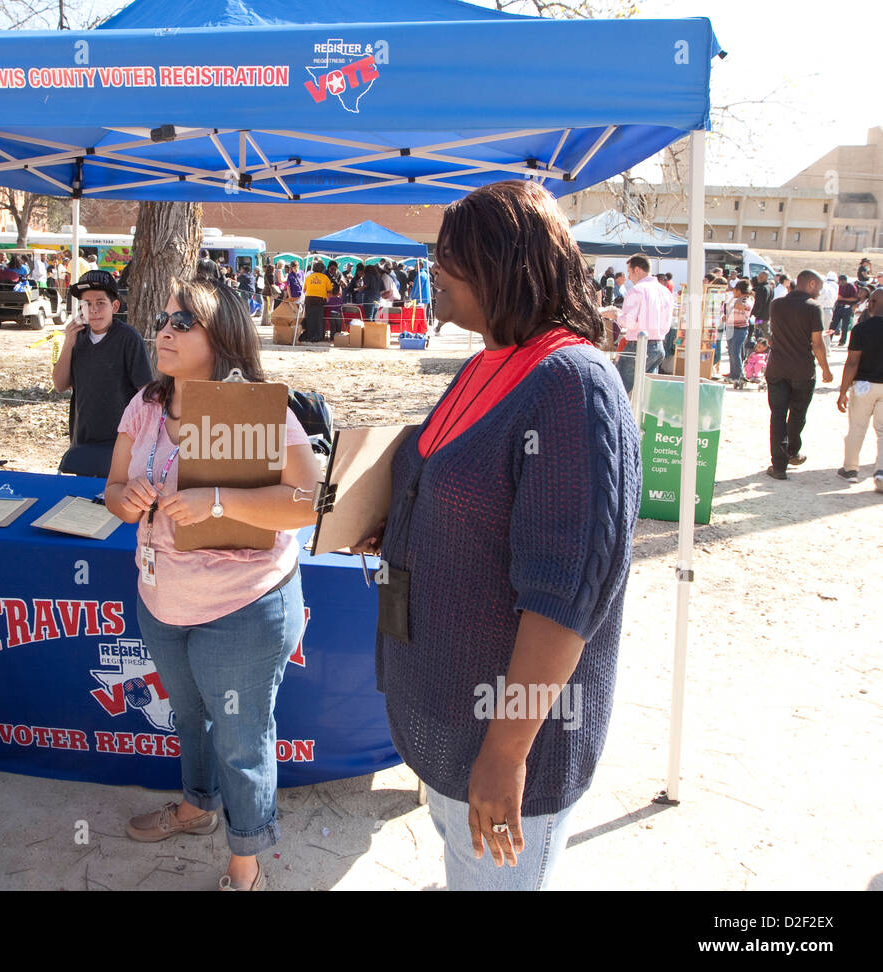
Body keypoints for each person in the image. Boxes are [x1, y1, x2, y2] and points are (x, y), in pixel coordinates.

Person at [372, 180, 638, 891]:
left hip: (508, 738)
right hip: (454, 710)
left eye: (451, 258)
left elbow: (565, 592)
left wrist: (507, 751)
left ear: (505, 263)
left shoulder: (571, 385)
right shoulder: (487, 363)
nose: (433, 271)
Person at [104, 276, 320, 891]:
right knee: (189, 718)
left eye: (182, 324)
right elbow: (113, 490)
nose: (163, 332)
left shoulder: (254, 409)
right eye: (163, 320)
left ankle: (245, 865)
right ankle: (197, 808)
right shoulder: (145, 405)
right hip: (162, 598)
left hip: (244, 606)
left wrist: (218, 501)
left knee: (241, 736)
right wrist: (129, 501)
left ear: (221, 337)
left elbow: (306, 502)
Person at [52, 269, 152, 478]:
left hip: (121, 439)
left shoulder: (128, 338)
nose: (94, 309)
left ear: (114, 306)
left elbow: (145, 391)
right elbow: (60, 384)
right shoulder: (77, 338)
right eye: (87, 304)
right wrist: (68, 342)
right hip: (83, 437)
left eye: (100, 303)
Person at [765, 270, 833, 480]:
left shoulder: (777, 304)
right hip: (802, 370)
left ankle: (778, 466)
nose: (820, 292)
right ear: (811, 283)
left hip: (777, 368)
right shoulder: (813, 308)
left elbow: (773, 333)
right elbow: (818, 344)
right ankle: (792, 451)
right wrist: (826, 369)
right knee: (797, 415)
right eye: (819, 288)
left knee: (777, 415)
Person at [602, 253, 672, 393]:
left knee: (618, 390)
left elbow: (630, 321)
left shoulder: (637, 290)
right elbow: (667, 322)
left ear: (637, 270)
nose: (628, 277)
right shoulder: (664, 291)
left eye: (629, 272)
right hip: (658, 345)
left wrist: (616, 315)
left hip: (638, 346)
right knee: (646, 394)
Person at [836, 288, 883, 491]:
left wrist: (842, 391)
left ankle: (851, 469)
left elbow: (852, 362)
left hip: (864, 385)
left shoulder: (861, 329)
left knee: (857, 427)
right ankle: (881, 471)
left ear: (871, 303)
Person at [724, 279, 753, 381]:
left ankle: (738, 375)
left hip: (740, 329)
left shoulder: (746, 300)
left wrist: (740, 297)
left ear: (739, 291)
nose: (733, 293)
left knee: (735, 352)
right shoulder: (736, 299)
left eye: (735, 290)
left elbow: (739, 306)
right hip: (731, 328)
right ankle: (733, 372)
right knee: (731, 352)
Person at [301, 261, 331, 342]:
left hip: (309, 299)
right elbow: (329, 290)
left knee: (310, 318)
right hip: (320, 300)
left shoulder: (308, 277)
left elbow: (304, 290)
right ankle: (318, 336)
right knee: (319, 318)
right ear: (322, 269)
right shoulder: (325, 277)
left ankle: (310, 335)